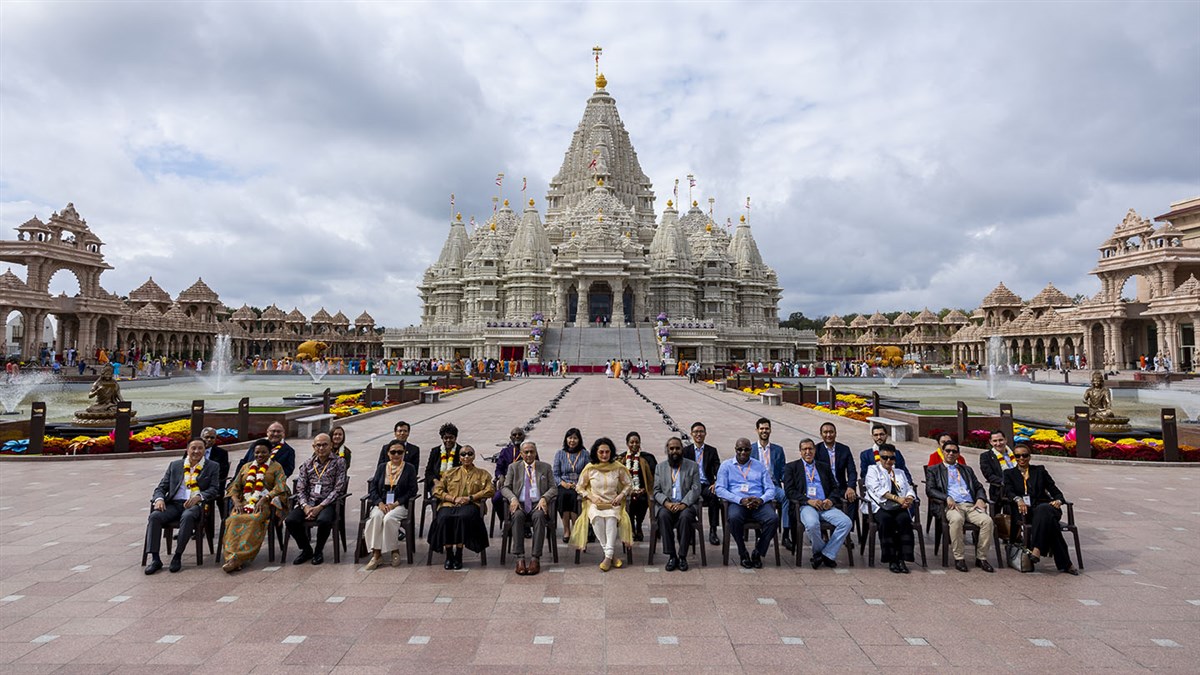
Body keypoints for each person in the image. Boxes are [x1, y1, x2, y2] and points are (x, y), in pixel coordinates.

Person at [144, 439, 220, 574]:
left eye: (200, 448)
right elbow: (161, 487)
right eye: (193, 448)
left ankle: (177, 555)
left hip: (195, 505)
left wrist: (199, 497)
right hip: (174, 504)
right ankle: (155, 558)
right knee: (155, 516)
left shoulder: (212, 466)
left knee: (188, 516)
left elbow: (214, 489)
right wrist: (159, 499)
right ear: (187, 450)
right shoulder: (175, 465)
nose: (196, 451)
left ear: (204, 450)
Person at [1003, 444, 1079, 575]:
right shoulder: (1009, 473)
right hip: (1026, 512)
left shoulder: (1039, 471)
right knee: (1051, 526)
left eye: (1025, 455)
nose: (1022, 458)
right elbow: (1008, 491)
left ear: (1030, 457)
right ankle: (1066, 563)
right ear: (1014, 457)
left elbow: (1056, 492)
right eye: (1018, 456)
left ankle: (1037, 548)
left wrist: (1058, 501)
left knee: (1043, 509)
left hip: (1047, 508)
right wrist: (1018, 499)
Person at [221, 439, 290, 573]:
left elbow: (281, 486)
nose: (260, 455)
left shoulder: (276, 467)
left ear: (270, 453)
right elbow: (234, 486)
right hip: (244, 502)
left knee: (254, 519)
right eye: (257, 452)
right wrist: (236, 501)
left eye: (263, 452)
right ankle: (232, 557)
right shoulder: (246, 467)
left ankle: (240, 558)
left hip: (265, 503)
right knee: (233, 518)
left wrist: (265, 498)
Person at [925, 440, 995, 573]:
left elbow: (978, 486)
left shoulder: (966, 470)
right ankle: (959, 558)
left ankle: (981, 558)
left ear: (958, 454)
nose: (951, 453)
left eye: (954, 451)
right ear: (943, 452)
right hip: (952, 506)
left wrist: (980, 499)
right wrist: (946, 497)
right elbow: (930, 490)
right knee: (957, 520)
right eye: (948, 451)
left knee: (987, 521)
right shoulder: (934, 470)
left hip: (970, 505)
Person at [784, 438, 853, 569]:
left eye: (810, 449)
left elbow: (835, 488)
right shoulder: (791, 467)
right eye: (804, 449)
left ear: (815, 450)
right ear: (800, 452)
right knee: (812, 524)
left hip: (825, 505)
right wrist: (808, 500)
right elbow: (789, 491)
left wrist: (830, 500)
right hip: (806, 506)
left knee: (846, 522)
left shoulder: (823, 467)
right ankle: (824, 553)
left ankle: (824, 554)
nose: (808, 452)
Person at [715, 438, 779, 569]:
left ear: (751, 450)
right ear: (735, 450)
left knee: (773, 519)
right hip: (738, 502)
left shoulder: (759, 465)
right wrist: (740, 500)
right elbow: (719, 489)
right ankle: (742, 552)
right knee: (733, 518)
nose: (743, 452)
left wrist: (761, 499)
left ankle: (758, 552)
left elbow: (770, 488)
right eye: (740, 449)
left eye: (746, 449)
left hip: (758, 503)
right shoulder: (726, 466)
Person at [427, 444, 494, 569]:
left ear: (474, 457)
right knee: (443, 518)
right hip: (450, 504)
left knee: (464, 517)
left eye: (469, 454)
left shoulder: (482, 474)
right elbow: (437, 490)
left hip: (471, 504)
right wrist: (452, 498)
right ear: (460, 457)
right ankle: (449, 554)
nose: (466, 456)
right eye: (463, 454)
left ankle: (458, 553)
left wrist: (471, 498)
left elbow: (490, 490)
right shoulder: (450, 473)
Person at [285, 434, 348, 565]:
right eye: (318, 445)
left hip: (328, 503)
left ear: (331, 445)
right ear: (313, 447)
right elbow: (300, 488)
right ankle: (306, 549)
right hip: (309, 502)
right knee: (291, 520)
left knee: (324, 520)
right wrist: (305, 506)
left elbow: (338, 489)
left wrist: (320, 507)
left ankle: (318, 551)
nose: (321, 448)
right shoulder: (307, 464)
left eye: (325, 444)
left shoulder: (339, 462)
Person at [571, 437, 633, 571]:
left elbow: (628, 484)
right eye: (601, 452)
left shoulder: (618, 468)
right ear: (595, 453)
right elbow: (579, 487)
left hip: (613, 503)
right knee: (597, 519)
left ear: (611, 453)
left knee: (611, 519)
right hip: (595, 504)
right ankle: (610, 555)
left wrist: (621, 495)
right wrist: (591, 497)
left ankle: (607, 557)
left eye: (607, 452)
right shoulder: (590, 468)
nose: (604, 455)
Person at [501, 440, 558, 575]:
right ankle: (520, 558)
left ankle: (535, 558)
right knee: (517, 516)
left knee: (539, 517)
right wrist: (513, 498)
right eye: (526, 452)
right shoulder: (513, 467)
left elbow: (554, 488)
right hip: (519, 504)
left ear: (536, 452)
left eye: (532, 451)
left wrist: (545, 498)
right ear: (521, 454)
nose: (529, 454)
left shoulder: (545, 467)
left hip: (537, 504)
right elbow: (505, 488)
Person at [362, 439, 418, 570]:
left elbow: (412, 490)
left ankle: (394, 551)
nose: (396, 455)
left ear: (404, 453)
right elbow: (373, 489)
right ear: (388, 453)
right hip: (381, 504)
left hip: (399, 505)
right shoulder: (382, 467)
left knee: (388, 519)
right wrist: (380, 503)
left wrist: (395, 504)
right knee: (375, 518)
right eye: (393, 452)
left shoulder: (409, 468)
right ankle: (376, 554)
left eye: (400, 452)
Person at [863, 443, 916, 573]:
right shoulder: (873, 470)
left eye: (891, 458)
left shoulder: (899, 472)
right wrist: (898, 499)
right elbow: (876, 490)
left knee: (904, 520)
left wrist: (909, 499)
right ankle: (891, 558)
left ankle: (902, 558)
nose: (888, 461)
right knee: (887, 521)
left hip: (899, 506)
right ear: (879, 458)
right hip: (880, 506)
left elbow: (909, 488)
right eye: (884, 457)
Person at [653, 436, 701, 571]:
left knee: (686, 517)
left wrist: (684, 504)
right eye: (671, 448)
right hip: (667, 505)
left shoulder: (692, 466)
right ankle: (672, 555)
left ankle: (682, 556)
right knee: (663, 516)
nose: (675, 451)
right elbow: (656, 491)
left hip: (686, 505)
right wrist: (666, 503)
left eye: (677, 448)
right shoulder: (660, 467)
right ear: (667, 450)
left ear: (682, 450)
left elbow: (696, 488)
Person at [751, 418, 791, 552]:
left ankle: (785, 534)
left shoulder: (778, 450)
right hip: (756, 487)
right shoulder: (750, 449)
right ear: (757, 430)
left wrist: (790, 483)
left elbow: (784, 470)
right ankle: (759, 533)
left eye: (766, 428)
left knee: (786, 497)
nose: (764, 431)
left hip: (773, 485)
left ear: (770, 430)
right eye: (761, 428)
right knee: (755, 500)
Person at [683, 421, 722, 546]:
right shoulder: (686, 451)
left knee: (714, 496)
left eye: (701, 432)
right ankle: (689, 532)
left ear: (705, 434)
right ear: (691, 434)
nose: (698, 434)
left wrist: (716, 482)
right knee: (687, 501)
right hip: (691, 486)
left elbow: (718, 469)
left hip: (706, 484)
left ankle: (713, 530)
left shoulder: (711, 451)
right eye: (696, 432)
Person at [618, 431, 657, 541]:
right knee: (629, 501)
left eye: (637, 442)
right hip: (626, 492)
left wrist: (644, 489)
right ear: (627, 444)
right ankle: (630, 527)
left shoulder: (648, 458)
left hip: (642, 491)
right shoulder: (621, 459)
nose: (634, 445)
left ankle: (639, 525)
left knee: (643, 500)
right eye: (632, 442)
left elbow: (653, 477)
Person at [552, 427, 587, 543]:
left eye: (575, 438)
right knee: (563, 496)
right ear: (566, 439)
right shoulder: (560, 454)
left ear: (579, 440)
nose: (572, 441)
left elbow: (589, 472)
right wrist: (563, 483)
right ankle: (566, 529)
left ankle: (575, 528)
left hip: (580, 484)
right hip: (564, 484)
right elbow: (555, 474)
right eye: (570, 438)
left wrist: (579, 484)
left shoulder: (585, 454)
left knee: (574, 496)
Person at [814, 422, 857, 504]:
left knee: (853, 499)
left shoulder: (844, 449)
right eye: (825, 432)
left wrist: (851, 487)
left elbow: (852, 471)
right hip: (824, 488)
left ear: (835, 433)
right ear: (821, 434)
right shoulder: (816, 450)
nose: (828, 435)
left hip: (841, 488)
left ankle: (851, 518)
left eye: (831, 432)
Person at [492, 428, 527, 514]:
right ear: (511, 438)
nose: (517, 436)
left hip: (524, 484)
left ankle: (523, 520)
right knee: (496, 499)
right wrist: (500, 476)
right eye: (514, 435)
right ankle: (506, 519)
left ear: (524, 437)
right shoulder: (505, 452)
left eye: (519, 434)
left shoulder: (529, 451)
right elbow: (498, 469)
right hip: (507, 484)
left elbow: (536, 466)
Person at [979, 431, 1017, 504]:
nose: (998, 443)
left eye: (1001, 440)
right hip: (1000, 490)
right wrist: (1006, 481)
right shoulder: (986, 456)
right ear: (990, 442)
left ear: (1006, 439)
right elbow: (989, 475)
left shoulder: (1015, 453)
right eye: (995, 441)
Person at [424, 422, 462, 496]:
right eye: (445, 438)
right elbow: (428, 471)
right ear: (442, 438)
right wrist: (435, 481)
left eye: (451, 437)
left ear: (455, 438)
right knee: (438, 491)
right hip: (438, 484)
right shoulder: (435, 451)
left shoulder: (461, 451)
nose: (448, 440)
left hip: (456, 485)